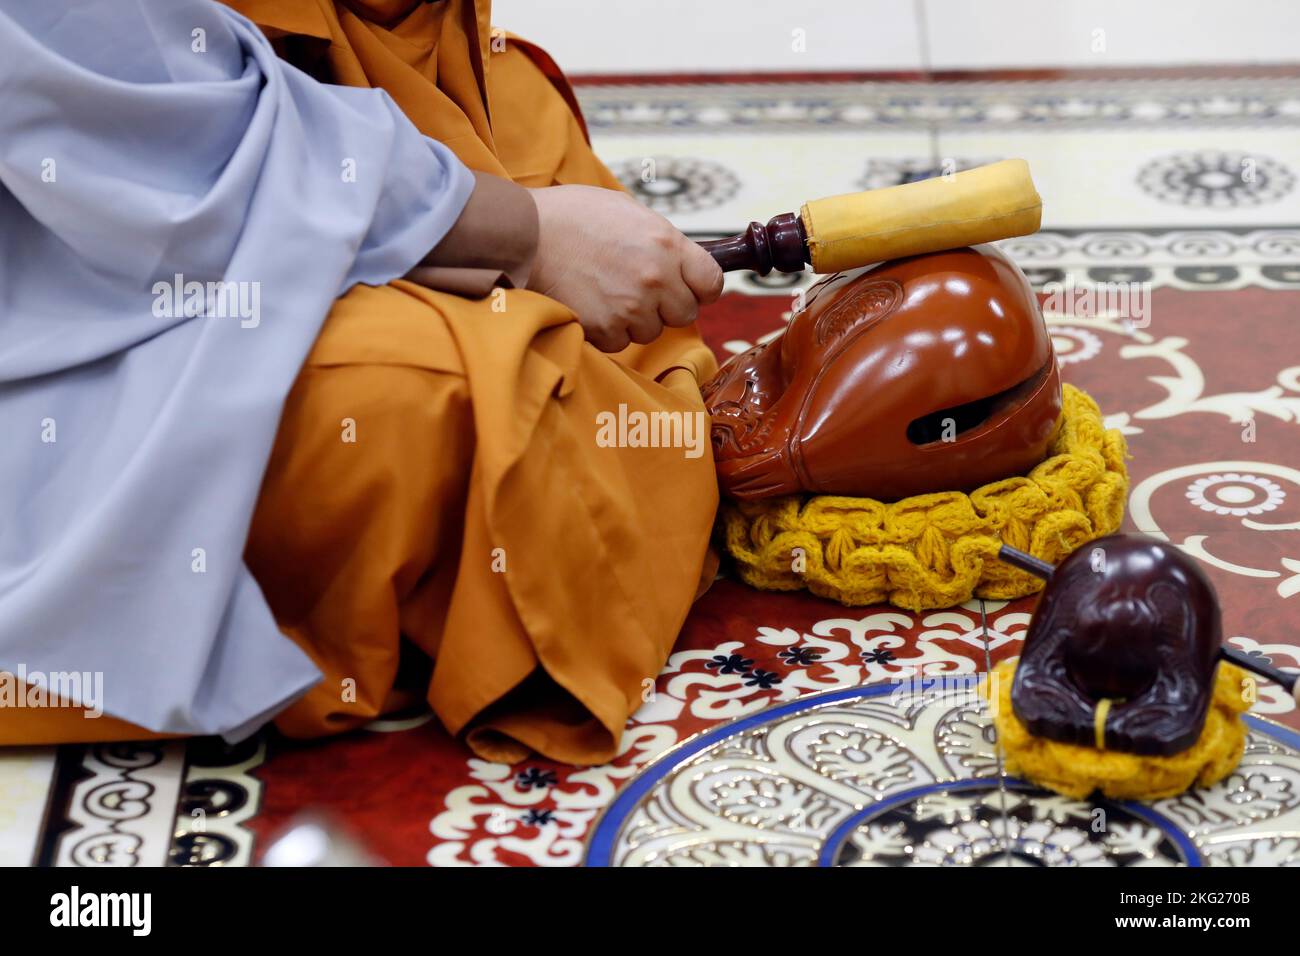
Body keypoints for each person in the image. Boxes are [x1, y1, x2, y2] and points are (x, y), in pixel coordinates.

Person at [0, 0, 723, 765]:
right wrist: (520, 231)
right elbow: (151, 132)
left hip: (277, 96)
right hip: (83, 254)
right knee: (431, 399)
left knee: (516, 111)